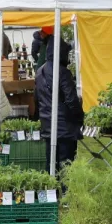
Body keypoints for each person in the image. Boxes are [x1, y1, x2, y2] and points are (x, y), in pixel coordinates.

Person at [36, 41, 83, 174]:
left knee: (51, 164)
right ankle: (65, 193)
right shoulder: (62, 72)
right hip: (65, 126)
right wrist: (80, 117)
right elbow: (71, 100)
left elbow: (37, 97)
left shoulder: (40, 71)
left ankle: (52, 192)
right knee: (66, 165)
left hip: (47, 123)